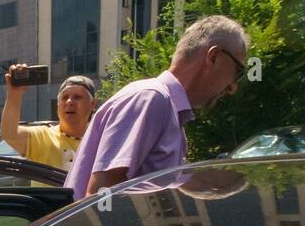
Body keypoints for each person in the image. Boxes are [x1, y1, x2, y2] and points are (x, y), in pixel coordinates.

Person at [64, 15, 249, 200]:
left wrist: (240, 179)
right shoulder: (151, 99)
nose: (234, 87)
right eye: (238, 71)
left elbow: (174, 180)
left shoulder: (167, 108)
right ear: (214, 57)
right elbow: (100, 197)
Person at [0, 68, 96, 171]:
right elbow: (10, 135)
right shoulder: (43, 136)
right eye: (64, 97)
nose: (69, 102)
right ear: (58, 104)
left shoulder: (101, 141)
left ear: (93, 104)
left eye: (77, 97)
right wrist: (14, 94)